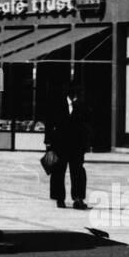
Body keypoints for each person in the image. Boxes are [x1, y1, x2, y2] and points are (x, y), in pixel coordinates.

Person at [45, 81, 90, 210]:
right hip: (59, 144)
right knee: (58, 172)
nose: (76, 96)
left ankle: (78, 198)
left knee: (78, 172)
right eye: (74, 93)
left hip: (76, 145)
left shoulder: (82, 105)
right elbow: (49, 122)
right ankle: (59, 199)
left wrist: (85, 144)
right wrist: (48, 142)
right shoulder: (57, 104)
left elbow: (87, 125)